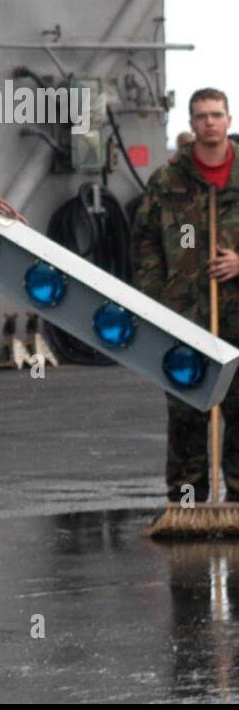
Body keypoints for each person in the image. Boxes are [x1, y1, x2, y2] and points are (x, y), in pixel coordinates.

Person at [132, 87, 239, 504]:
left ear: (228, 120)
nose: (209, 122)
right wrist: (155, 302)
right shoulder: (167, 180)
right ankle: (188, 499)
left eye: (216, 114)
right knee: (186, 410)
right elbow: (144, 245)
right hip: (184, 317)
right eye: (200, 116)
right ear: (191, 124)